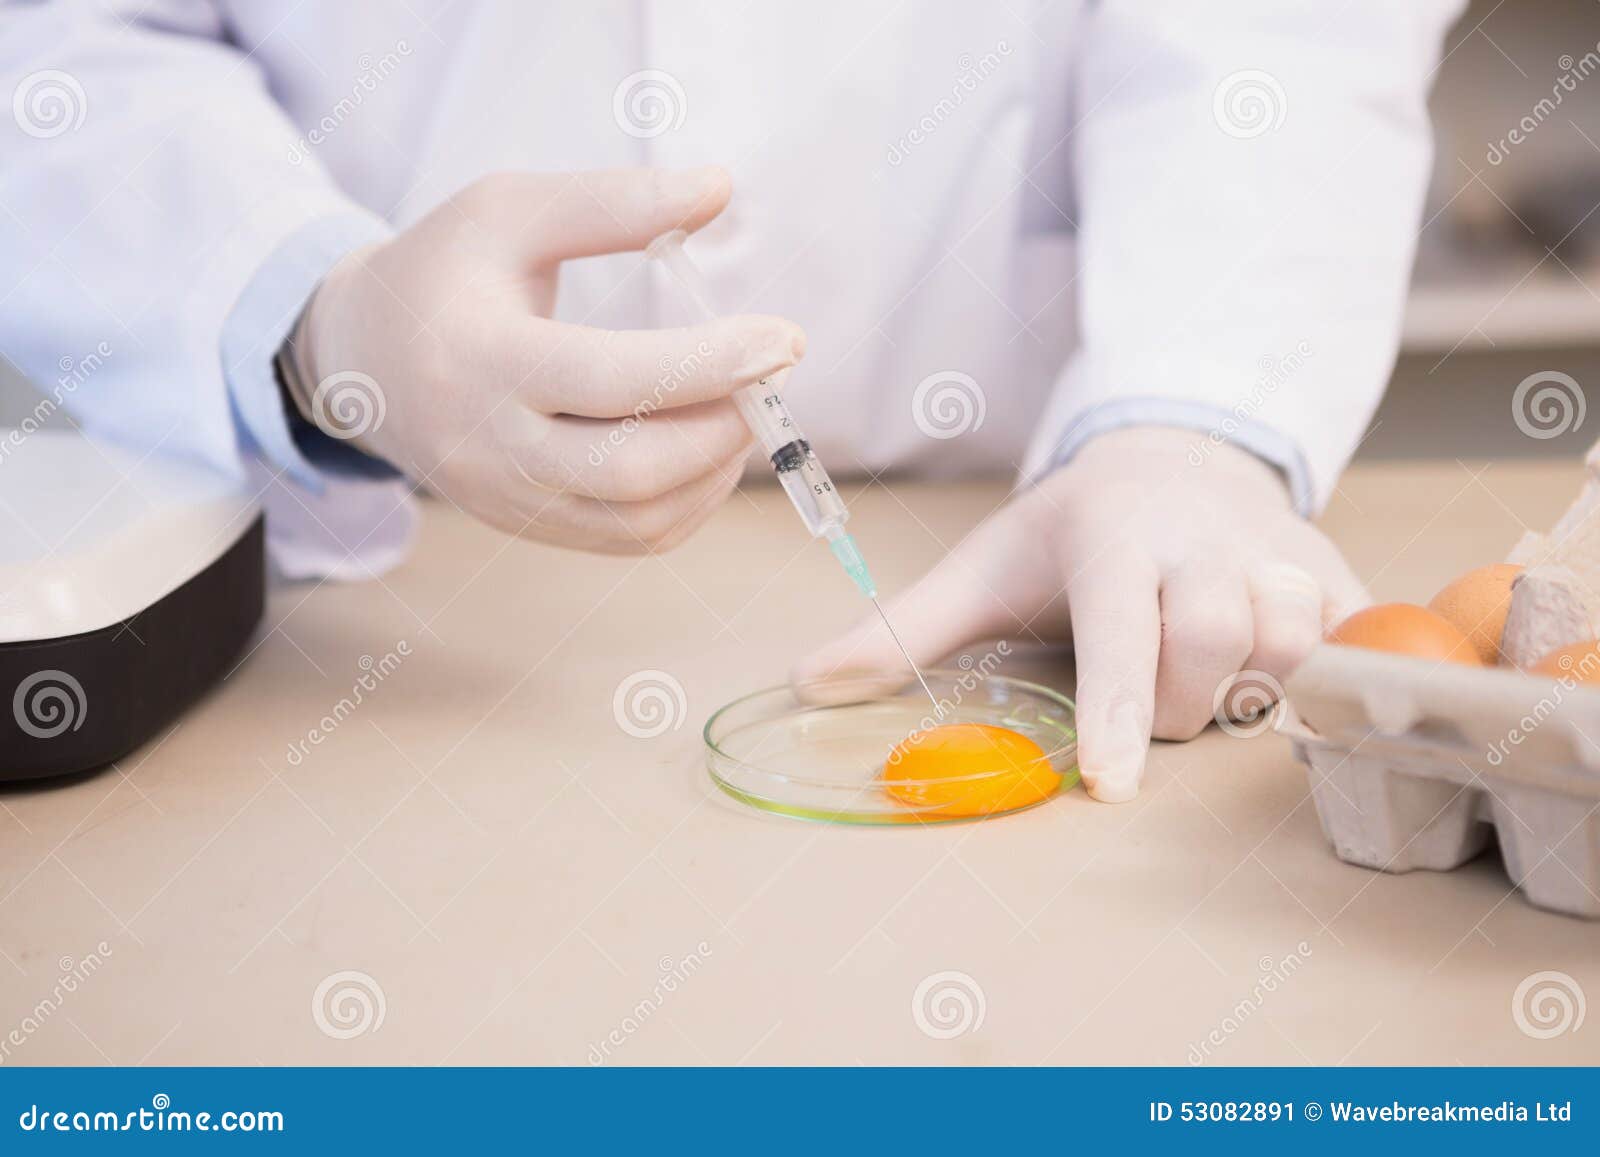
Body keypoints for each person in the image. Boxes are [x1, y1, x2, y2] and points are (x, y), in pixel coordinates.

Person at [0, 1, 1465, 801]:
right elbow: (56, 44)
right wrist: (314, 314)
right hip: (386, 578)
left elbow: (1291, 29)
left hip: (1034, 525)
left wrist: (1195, 411)